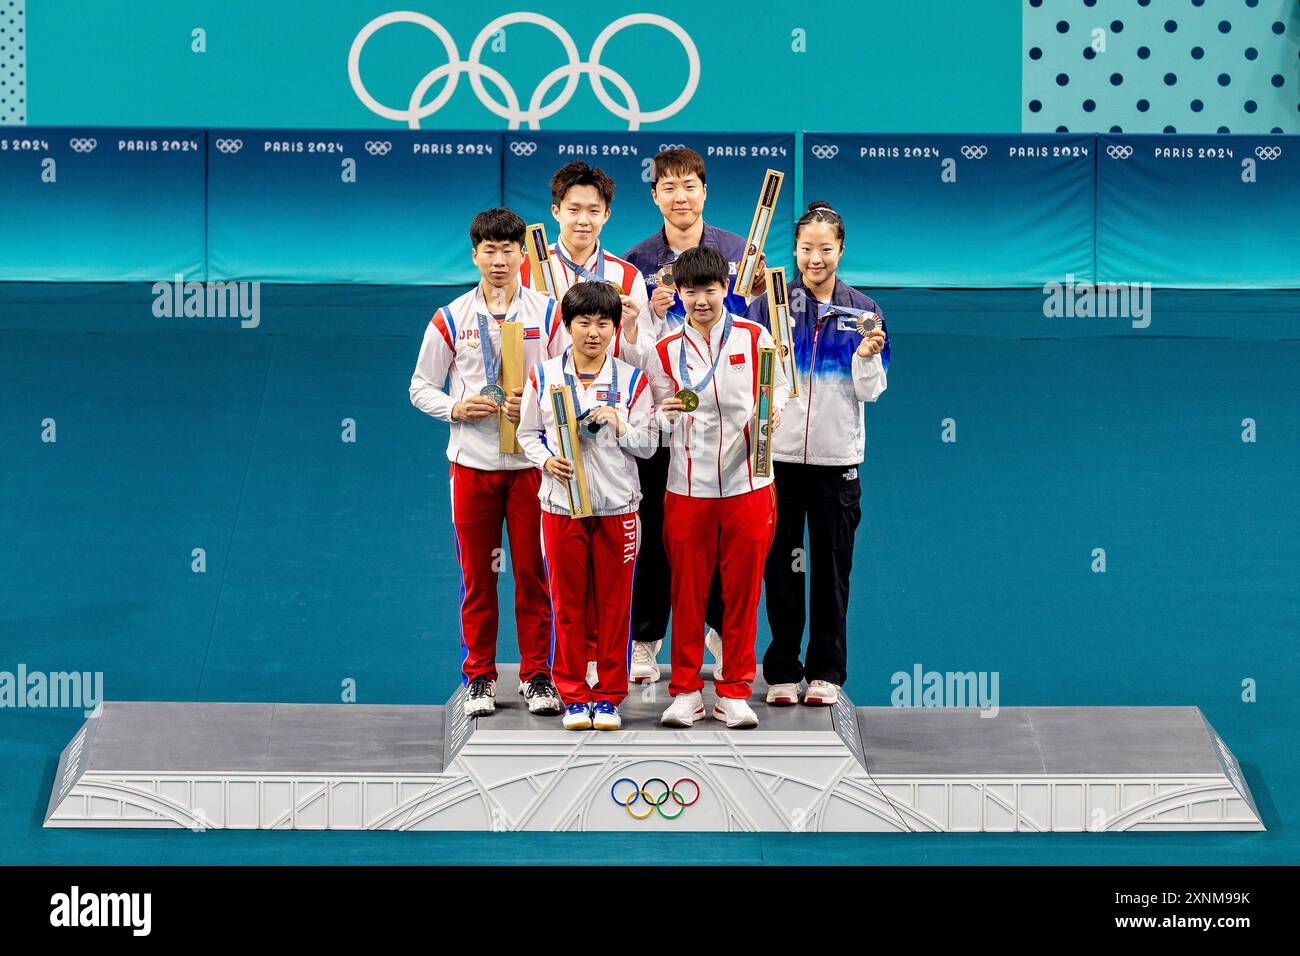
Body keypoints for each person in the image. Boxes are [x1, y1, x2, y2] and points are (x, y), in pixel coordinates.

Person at [409, 207, 566, 718]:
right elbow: (419, 388)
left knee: (533, 574)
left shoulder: (549, 314)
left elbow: (569, 382)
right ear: (474, 254)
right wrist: (455, 407)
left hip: (531, 467)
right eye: (489, 250)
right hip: (472, 466)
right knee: (477, 575)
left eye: (508, 250)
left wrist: (538, 405)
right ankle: (478, 676)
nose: (499, 260)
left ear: (524, 255)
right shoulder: (450, 317)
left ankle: (537, 673)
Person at [622, 147, 767, 683]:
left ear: (705, 191)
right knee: (662, 529)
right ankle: (646, 638)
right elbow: (629, 346)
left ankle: (717, 628)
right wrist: (649, 320)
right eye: (669, 187)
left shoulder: (739, 252)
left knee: (726, 533)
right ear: (655, 195)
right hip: (667, 421)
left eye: (690, 186)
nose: (680, 197)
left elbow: (759, 334)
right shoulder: (635, 262)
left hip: (731, 427)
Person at [745, 201, 889, 706]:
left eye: (826, 249)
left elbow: (871, 392)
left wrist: (866, 359)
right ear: (796, 251)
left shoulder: (864, 313)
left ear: (841, 250)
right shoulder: (771, 306)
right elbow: (750, 371)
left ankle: (827, 670)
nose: (815, 258)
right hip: (778, 462)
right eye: (807, 248)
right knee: (780, 568)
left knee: (830, 569)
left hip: (837, 464)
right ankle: (782, 668)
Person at [646, 246, 789, 729]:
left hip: (750, 483)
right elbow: (656, 415)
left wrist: (764, 422)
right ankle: (685, 689)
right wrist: (663, 417)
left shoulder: (755, 337)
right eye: (691, 291)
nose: (701, 299)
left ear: (724, 290)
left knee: (743, 590)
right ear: (679, 293)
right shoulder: (664, 350)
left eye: (710, 289)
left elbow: (781, 390)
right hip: (688, 486)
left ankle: (734, 689)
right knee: (686, 591)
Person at [518, 282, 655, 730]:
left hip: (618, 509)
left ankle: (610, 697)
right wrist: (545, 460)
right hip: (561, 507)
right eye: (583, 323)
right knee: (568, 604)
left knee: (616, 607)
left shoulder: (633, 380)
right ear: (567, 325)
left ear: (616, 328)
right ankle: (574, 694)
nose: (593, 333)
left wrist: (620, 424)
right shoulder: (543, 375)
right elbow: (526, 434)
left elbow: (650, 445)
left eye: (603, 323)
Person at [518, 160, 652, 367]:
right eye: (574, 210)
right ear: (556, 211)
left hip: (607, 390)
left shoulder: (627, 275)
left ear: (606, 215)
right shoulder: (523, 268)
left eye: (593, 211)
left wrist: (631, 329)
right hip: (545, 388)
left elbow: (645, 362)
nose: (583, 220)